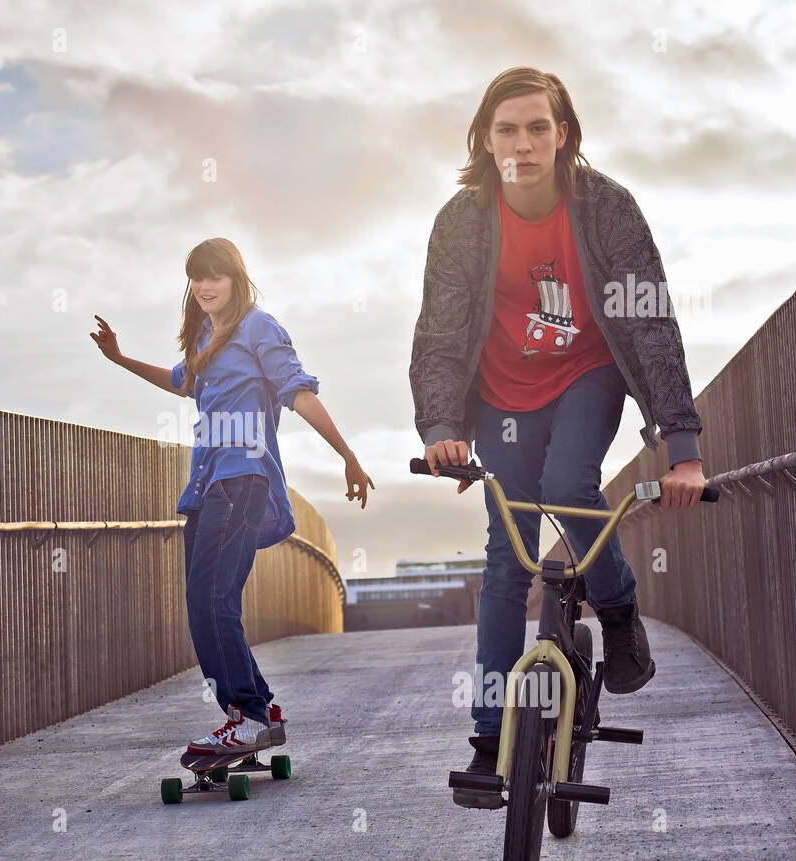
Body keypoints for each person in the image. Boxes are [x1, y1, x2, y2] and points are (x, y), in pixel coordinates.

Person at [408, 67, 710, 808]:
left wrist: (683, 446)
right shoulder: (461, 221)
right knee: (507, 554)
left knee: (571, 488)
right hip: (502, 396)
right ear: (485, 139)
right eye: (507, 129)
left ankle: (617, 613)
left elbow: (649, 323)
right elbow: (441, 331)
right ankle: (489, 740)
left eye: (538, 127)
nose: (523, 142)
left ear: (563, 133)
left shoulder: (606, 207)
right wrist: (443, 428)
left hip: (588, 373)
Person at [92, 237, 374, 755]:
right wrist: (119, 359)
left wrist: (347, 455)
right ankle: (255, 709)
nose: (203, 286)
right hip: (204, 485)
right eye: (196, 277)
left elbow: (299, 391)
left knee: (219, 599)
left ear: (236, 279)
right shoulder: (204, 335)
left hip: (242, 480)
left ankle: (247, 714)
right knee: (202, 603)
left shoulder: (259, 328)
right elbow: (182, 382)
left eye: (214, 276)